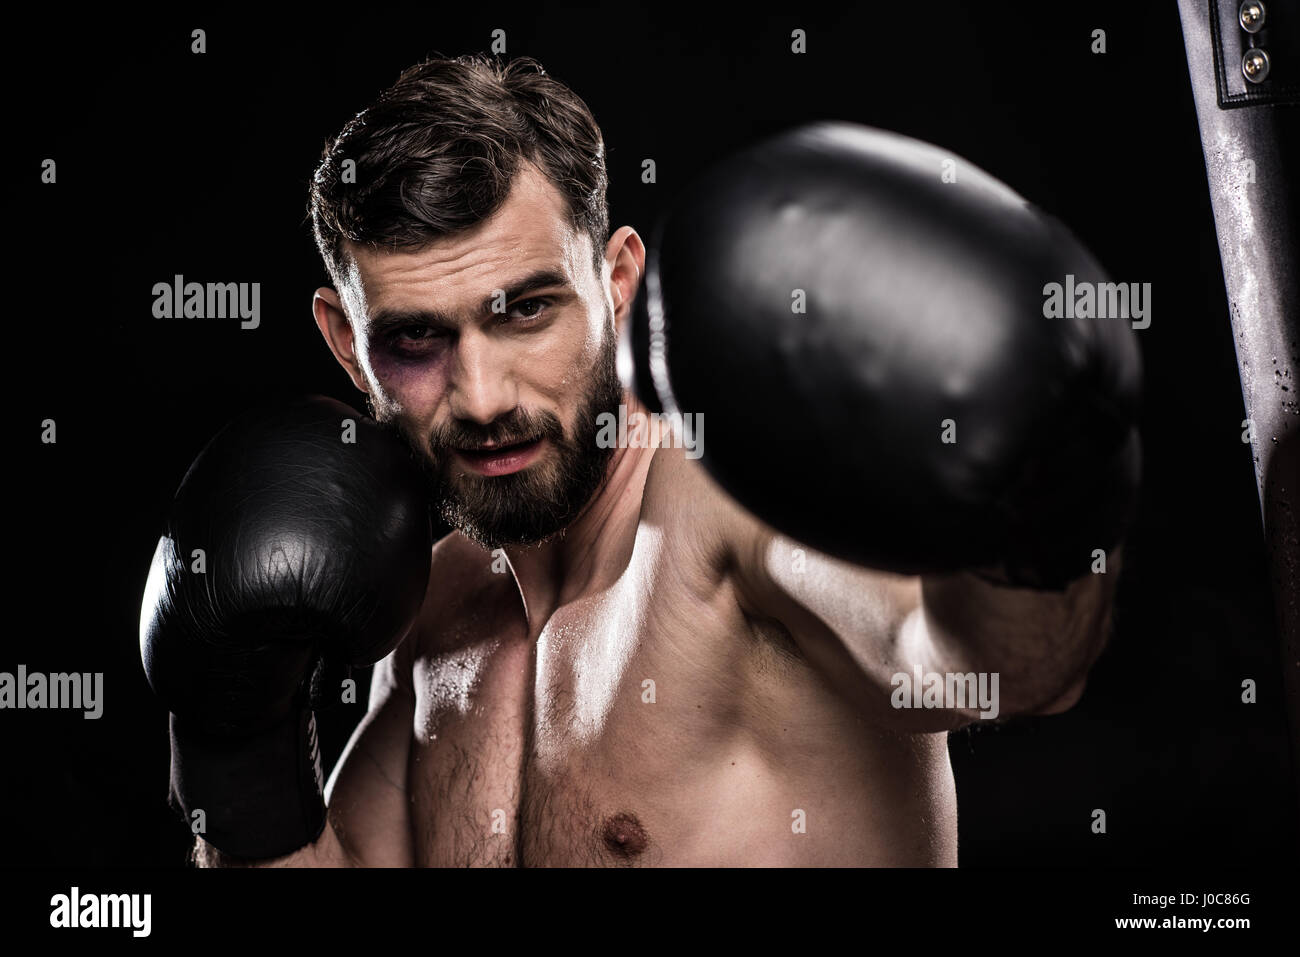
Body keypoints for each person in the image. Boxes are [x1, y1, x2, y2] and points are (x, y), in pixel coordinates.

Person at [140, 53, 1141, 867]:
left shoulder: (729, 516)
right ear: (347, 345)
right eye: (415, 341)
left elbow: (989, 673)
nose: (483, 398)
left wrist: (1044, 501)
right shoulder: (431, 607)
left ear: (617, 281)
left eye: (526, 310)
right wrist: (233, 741)